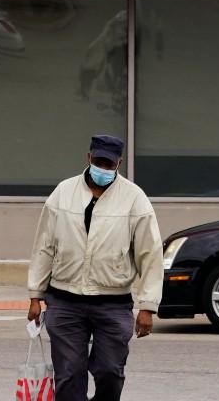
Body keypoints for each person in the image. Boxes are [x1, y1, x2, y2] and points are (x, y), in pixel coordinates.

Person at [27, 134, 163, 401]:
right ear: (88, 158)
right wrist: (35, 294)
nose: (103, 168)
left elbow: (150, 254)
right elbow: (44, 246)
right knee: (68, 375)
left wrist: (148, 306)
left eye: (109, 164)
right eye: (98, 161)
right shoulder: (63, 193)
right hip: (65, 300)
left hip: (113, 303)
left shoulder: (135, 199)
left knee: (110, 372)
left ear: (119, 164)